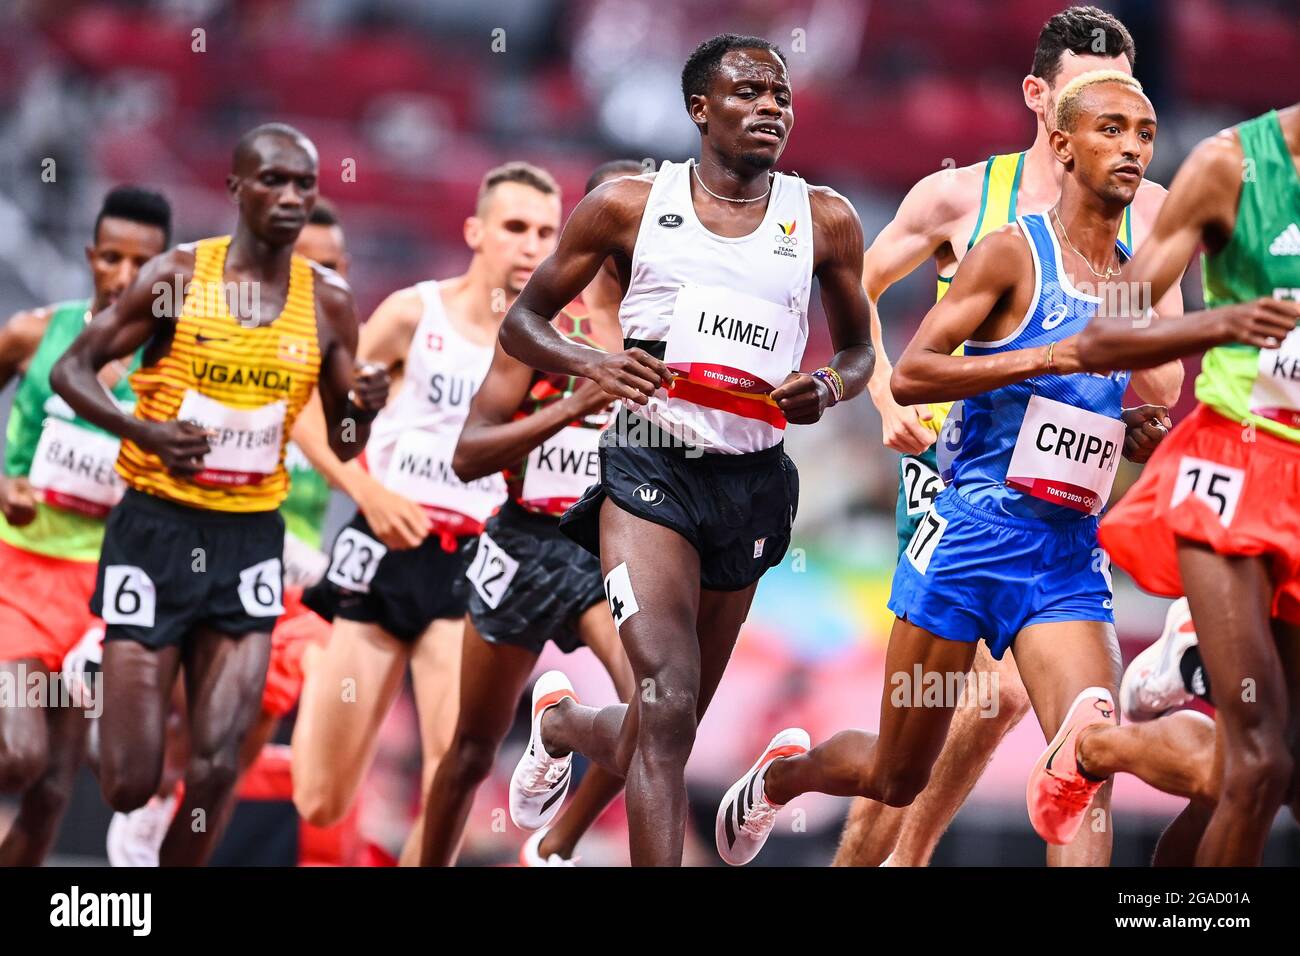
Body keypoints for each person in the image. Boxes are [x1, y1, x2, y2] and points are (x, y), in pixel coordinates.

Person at [716, 71, 1207, 865]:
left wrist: (1124, 424)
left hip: (1065, 559)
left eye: (1145, 134)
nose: (1131, 149)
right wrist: (1041, 355)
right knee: (894, 773)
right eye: (1111, 129)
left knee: (1090, 758)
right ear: (1062, 144)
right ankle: (783, 777)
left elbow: (1088, 390)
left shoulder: (1130, 281)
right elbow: (914, 372)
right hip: (969, 537)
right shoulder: (1009, 254)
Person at [499, 34, 874, 866]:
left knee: (677, 715)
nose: (771, 107)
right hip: (649, 465)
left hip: (752, 478)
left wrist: (832, 386)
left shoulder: (824, 218)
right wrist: (595, 361)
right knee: (666, 702)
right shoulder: (629, 204)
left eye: (780, 94)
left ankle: (559, 725)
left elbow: (858, 351)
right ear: (700, 109)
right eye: (748, 93)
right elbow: (521, 322)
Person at [837, 3, 1184, 868]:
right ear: (1044, 103)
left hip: (1068, 488)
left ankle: (911, 855)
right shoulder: (963, 197)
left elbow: (1166, 384)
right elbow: (855, 290)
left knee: (1016, 710)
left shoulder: (1153, 212)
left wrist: (1123, 359)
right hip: (958, 471)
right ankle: (882, 855)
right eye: (1096, 105)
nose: (1125, 135)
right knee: (936, 731)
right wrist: (883, 400)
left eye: (1135, 109)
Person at [50, 123, 389, 866]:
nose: (292, 198)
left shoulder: (329, 301)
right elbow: (72, 370)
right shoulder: (177, 275)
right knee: (128, 784)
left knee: (215, 766)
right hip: (155, 529)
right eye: (273, 181)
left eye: (305, 184)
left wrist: (365, 400)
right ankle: (99, 662)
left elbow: (345, 441)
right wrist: (142, 432)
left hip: (248, 542)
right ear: (236, 189)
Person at [290, 162, 560, 864]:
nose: (531, 245)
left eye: (546, 232)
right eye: (515, 227)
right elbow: (311, 419)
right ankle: (325, 671)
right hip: (381, 548)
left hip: (476, 566)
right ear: (475, 230)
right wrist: (372, 494)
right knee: (320, 797)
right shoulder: (416, 314)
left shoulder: (551, 344)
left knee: (455, 772)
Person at [1076, 100, 1300, 865]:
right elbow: (1109, 332)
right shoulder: (1230, 166)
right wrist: (1221, 324)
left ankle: (1193, 653)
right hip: (1234, 463)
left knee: (1278, 776)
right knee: (1259, 758)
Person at [104, 197, 349, 866]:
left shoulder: (334, 342)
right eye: (318, 266)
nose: (333, 279)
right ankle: (151, 800)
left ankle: (203, 838)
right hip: (185, 543)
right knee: (172, 739)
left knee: (231, 752)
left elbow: (365, 438)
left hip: (275, 574)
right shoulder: (218, 330)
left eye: (339, 266)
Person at [419, 160, 644, 868]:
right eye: (625, 213)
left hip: (613, 547)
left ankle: (556, 830)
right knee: (471, 749)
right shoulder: (544, 323)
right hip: (523, 543)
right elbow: (469, 453)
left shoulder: (671, 328)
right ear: (594, 223)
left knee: (660, 712)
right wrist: (573, 404)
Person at [0, 186, 171, 865]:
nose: (125, 277)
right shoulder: (34, 333)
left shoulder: (177, 365)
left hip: (104, 594)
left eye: (143, 263)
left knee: (51, 791)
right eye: (111, 258)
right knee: (17, 755)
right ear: (89, 257)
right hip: (20, 570)